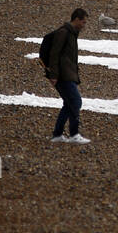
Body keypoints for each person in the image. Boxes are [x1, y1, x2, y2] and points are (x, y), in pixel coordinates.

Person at [43, 8, 90, 144]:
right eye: (83, 22)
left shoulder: (72, 33)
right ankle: (74, 134)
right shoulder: (63, 33)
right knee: (75, 102)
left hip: (68, 74)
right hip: (62, 75)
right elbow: (54, 54)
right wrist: (53, 75)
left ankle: (57, 135)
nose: (84, 25)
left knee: (69, 104)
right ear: (76, 19)